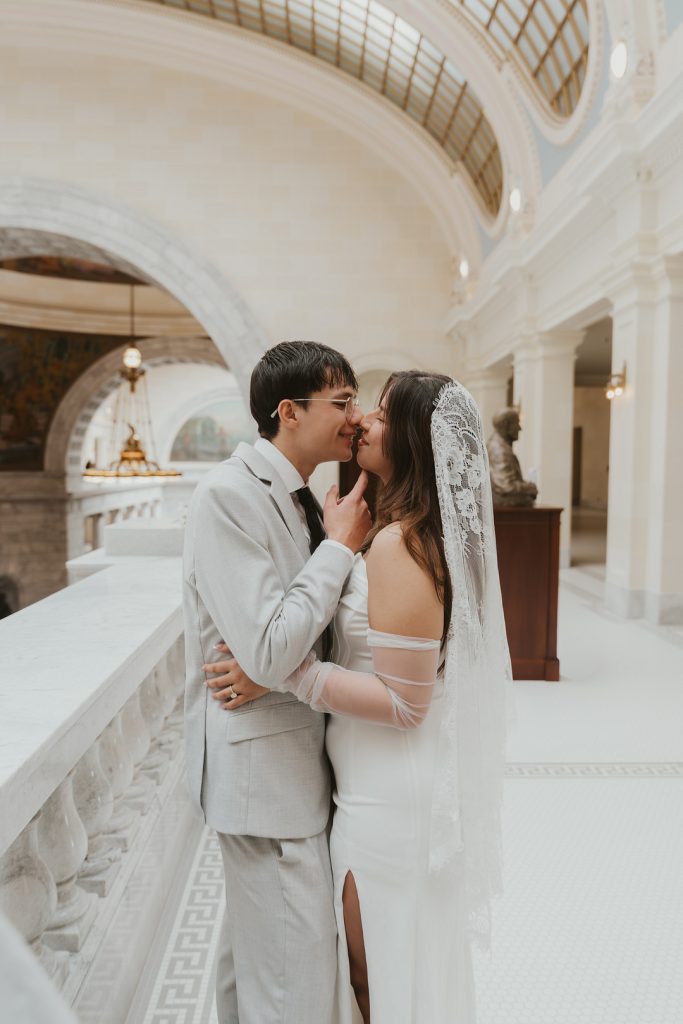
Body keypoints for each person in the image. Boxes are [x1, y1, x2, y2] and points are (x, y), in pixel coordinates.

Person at [207, 371, 513, 1023]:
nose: (363, 424)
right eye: (357, 408)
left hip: (388, 799)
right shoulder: (395, 529)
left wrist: (280, 673)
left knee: (373, 972)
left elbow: (406, 702)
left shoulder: (402, 544)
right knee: (381, 967)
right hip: (372, 784)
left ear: (407, 440)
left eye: (377, 413)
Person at [183, 340, 371, 1024]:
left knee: (261, 972)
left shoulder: (305, 496)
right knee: (292, 985)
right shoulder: (228, 495)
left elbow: (286, 644)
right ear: (288, 412)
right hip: (266, 778)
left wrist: (277, 673)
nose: (355, 416)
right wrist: (339, 547)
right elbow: (265, 646)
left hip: (295, 763)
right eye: (342, 401)